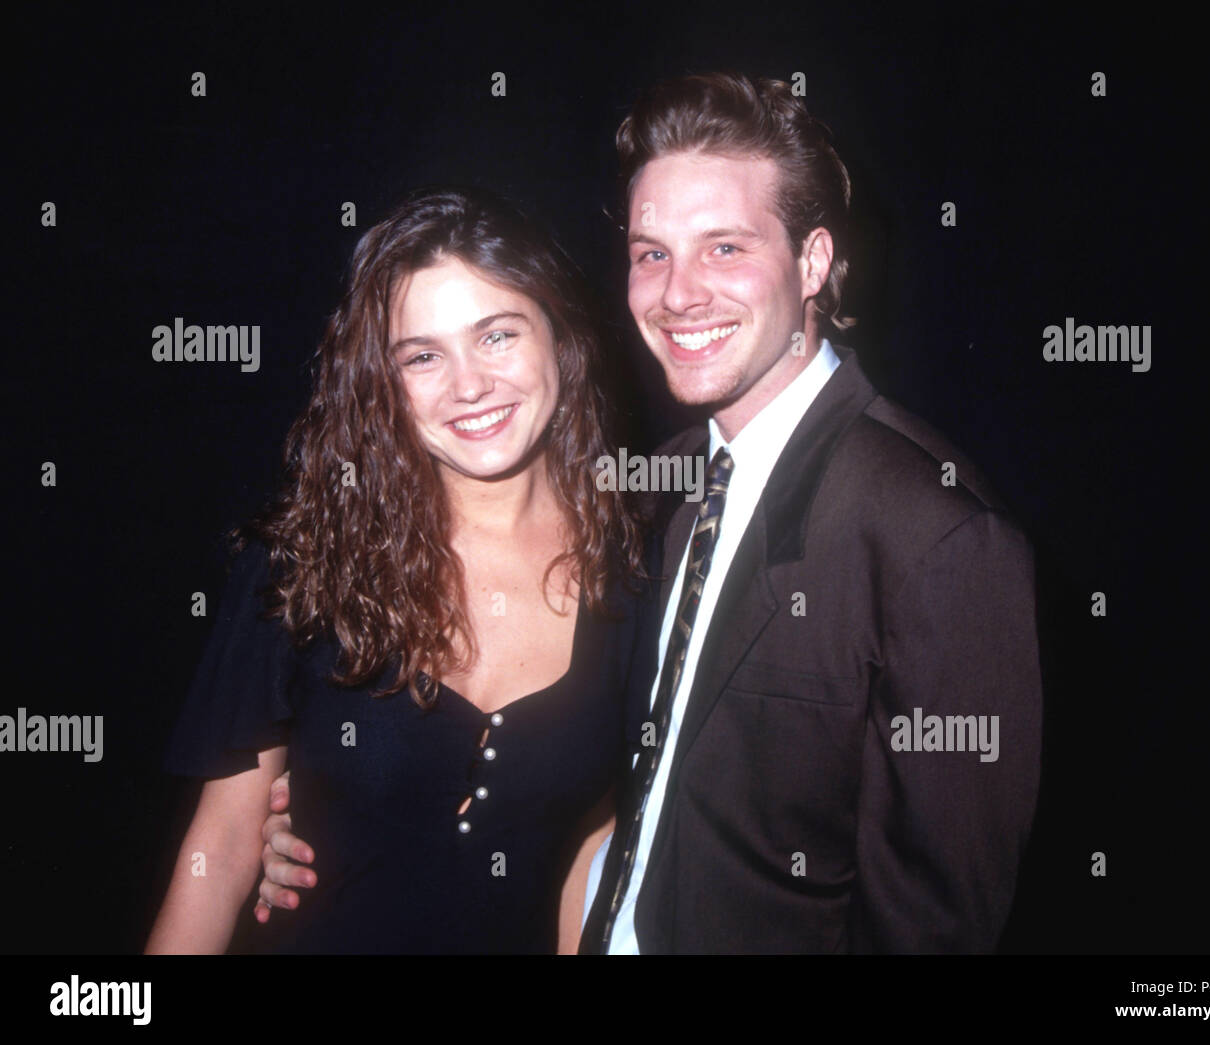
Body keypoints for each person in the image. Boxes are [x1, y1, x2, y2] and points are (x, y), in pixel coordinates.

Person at [260, 72, 1044, 954]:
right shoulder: (650, 491)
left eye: (724, 248)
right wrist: (339, 809)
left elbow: (932, 927)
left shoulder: (935, 535)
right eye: (652, 252)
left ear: (814, 262)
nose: (678, 293)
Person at [146, 186, 654, 954]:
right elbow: (218, 847)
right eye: (423, 356)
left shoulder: (638, 577)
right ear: (385, 383)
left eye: (497, 335)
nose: (468, 385)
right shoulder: (304, 561)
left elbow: (592, 845)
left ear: (561, 337)